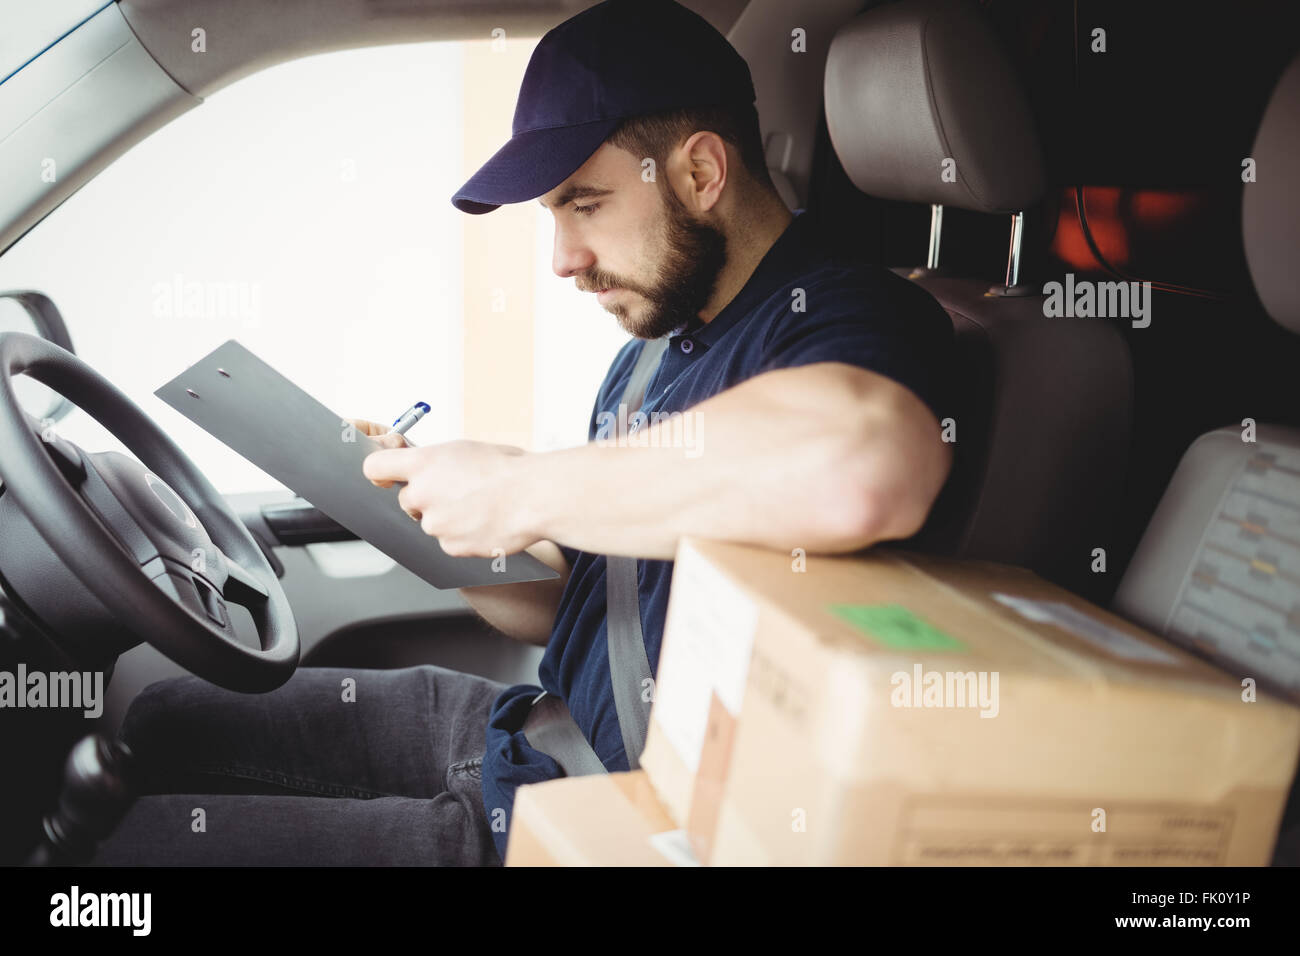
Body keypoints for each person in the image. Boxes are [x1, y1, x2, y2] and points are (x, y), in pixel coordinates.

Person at [91, 0, 956, 866]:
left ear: (698, 174)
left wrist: (522, 486)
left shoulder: (845, 314)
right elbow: (591, 601)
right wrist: (417, 512)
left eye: (585, 204)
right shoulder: (656, 349)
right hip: (530, 733)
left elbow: (864, 459)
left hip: (621, 819)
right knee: (166, 715)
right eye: (553, 213)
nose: (562, 259)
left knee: (139, 849)